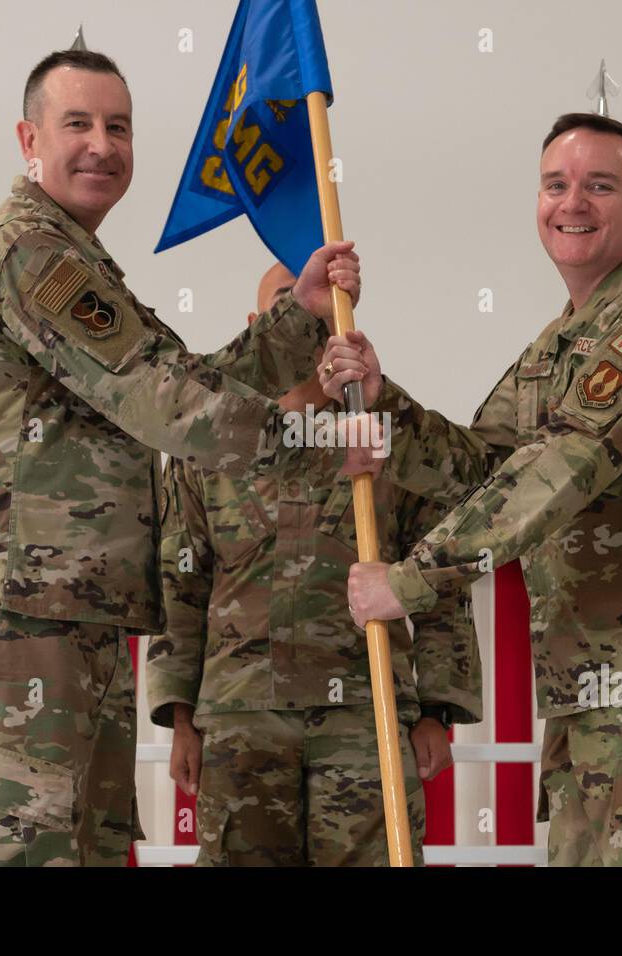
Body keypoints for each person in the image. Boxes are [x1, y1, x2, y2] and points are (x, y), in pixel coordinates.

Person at [0, 45, 359, 866]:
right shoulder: (27, 251)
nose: (102, 145)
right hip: (19, 624)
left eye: (118, 127)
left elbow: (180, 382)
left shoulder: (80, 264)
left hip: (75, 620)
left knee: (83, 851)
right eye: (77, 123)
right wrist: (320, 444)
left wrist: (296, 318)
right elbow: (169, 406)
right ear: (29, 138)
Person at [320, 112, 622, 866]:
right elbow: (483, 464)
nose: (573, 204)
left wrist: (413, 580)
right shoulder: (559, 343)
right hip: (590, 690)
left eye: (600, 185)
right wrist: (383, 403)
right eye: (556, 185)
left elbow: (565, 466)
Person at [146, 262, 481, 866]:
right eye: (295, 306)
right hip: (243, 716)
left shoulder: (389, 439)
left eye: (332, 310)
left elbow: (440, 583)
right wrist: (179, 716)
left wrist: (436, 711)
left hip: (366, 713)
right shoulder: (211, 448)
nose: (316, 321)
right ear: (260, 326)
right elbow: (181, 585)